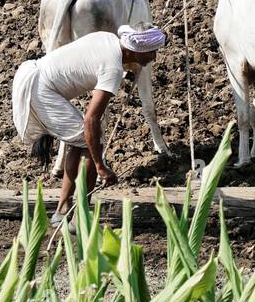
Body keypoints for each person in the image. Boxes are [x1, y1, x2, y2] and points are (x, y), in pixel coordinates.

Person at [11, 25, 166, 216]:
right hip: (40, 91)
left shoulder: (107, 38)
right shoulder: (113, 69)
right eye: (153, 52)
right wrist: (101, 166)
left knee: (79, 143)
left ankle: (63, 210)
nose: (155, 58)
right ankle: (81, 215)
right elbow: (91, 119)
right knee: (92, 143)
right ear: (137, 50)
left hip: (32, 77)